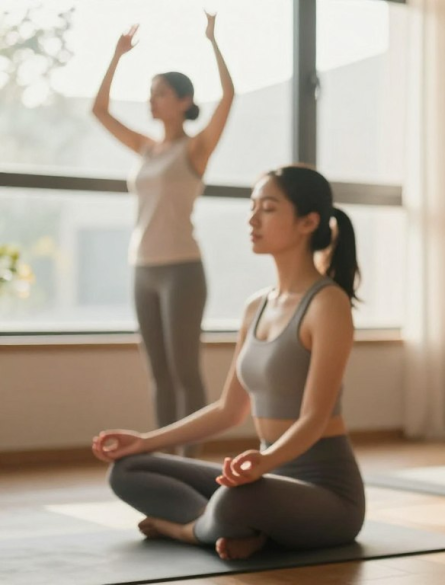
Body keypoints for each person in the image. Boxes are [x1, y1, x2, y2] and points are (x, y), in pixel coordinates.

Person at [92, 165, 365, 561]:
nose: (252, 219)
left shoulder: (328, 304)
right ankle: (243, 530)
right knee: (128, 470)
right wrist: (144, 441)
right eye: (252, 207)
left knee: (235, 500)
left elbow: (314, 419)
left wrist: (265, 462)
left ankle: (189, 530)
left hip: (327, 496)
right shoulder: (257, 305)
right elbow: (228, 410)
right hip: (265, 479)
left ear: (309, 222)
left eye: (268, 209)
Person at [92, 13, 234, 456]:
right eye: (151, 93)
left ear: (183, 100)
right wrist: (116, 56)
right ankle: (157, 457)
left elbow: (230, 96)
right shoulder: (145, 147)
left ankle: (189, 460)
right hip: (143, 268)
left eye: (160, 93)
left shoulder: (196, 147)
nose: (151, 101)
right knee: (158, 373)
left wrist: (213, 41)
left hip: (182, 269)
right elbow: (98, 110)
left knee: (184, 371)